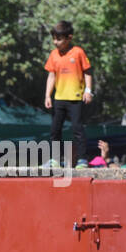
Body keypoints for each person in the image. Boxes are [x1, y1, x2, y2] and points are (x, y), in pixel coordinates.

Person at [44, 20, 93, 165]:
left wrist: (88, 91)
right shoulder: (54, 55)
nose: (55, 42)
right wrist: (48, 95)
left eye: (59, 39)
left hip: (75, 98)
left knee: (77, 129)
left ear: (69, 38)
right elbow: (51, 75)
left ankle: (82, 160)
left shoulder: (78, 52)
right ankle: (55, 160)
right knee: (55, 130)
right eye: (54, 39)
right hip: (59, 98)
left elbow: (88, 72)